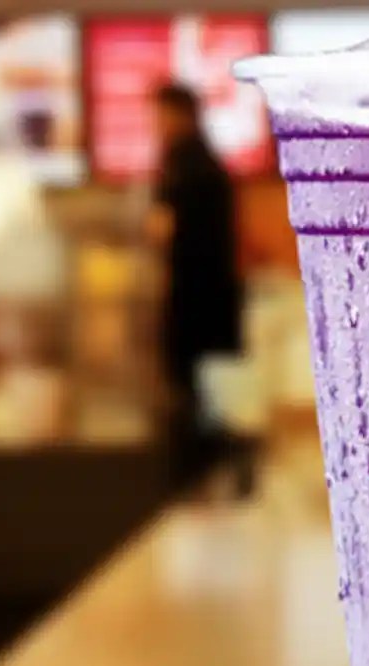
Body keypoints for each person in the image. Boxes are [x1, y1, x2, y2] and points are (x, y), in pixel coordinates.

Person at [147, 83, 243, 490]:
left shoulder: (181, 167)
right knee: (218, 398)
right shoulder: (211, 163)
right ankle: (217, 477)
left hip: (192, 302)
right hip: (219, 302)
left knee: (193, 399)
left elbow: (161, 231)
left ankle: (196, 482)